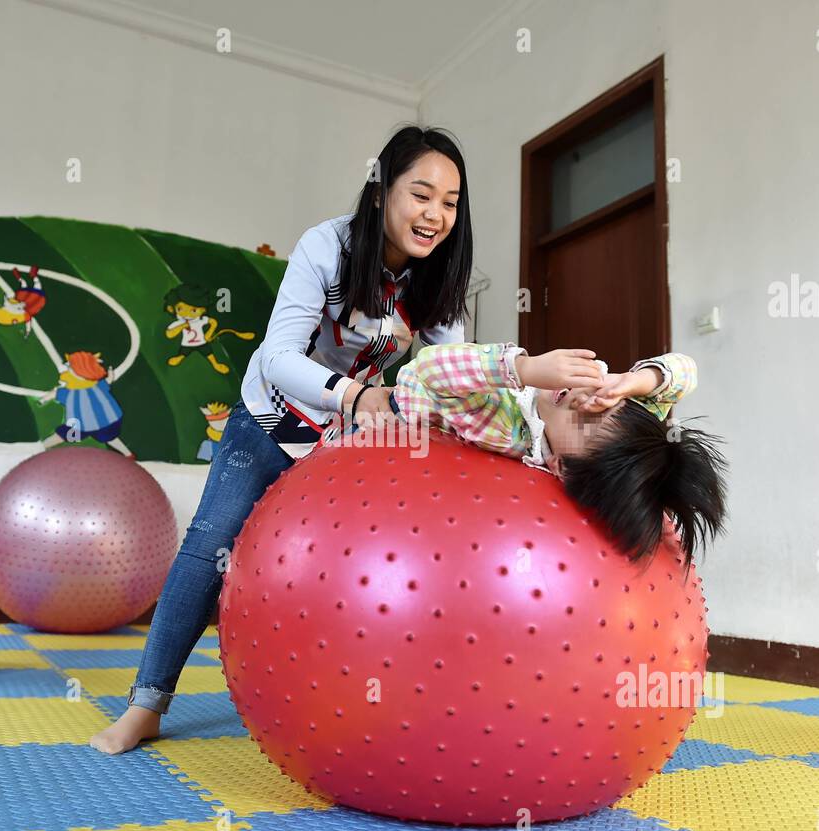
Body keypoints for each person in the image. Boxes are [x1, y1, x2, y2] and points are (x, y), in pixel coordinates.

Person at [89, 125, 480, 754]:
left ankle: (337, 706)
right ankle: (147, 704)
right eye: (421, 194)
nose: (435, 215)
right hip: (269, 419)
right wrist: (355, 395)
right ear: (382, 193)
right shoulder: (326, 246)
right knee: (210, 548)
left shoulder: (440, 283)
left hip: (345, 441)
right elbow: (277, 357)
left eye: (451, 202)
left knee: (343, 568)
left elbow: (449, 378)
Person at [385, 340, 728, 564]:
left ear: (560, 464)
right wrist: (635, 381)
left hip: (396, 418)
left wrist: (524, 369)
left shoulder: (506, 428)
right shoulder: (630, 418)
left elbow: (427, 369)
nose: (583, 399)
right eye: (602, 401)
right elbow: (686, 370)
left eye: (582, 420)